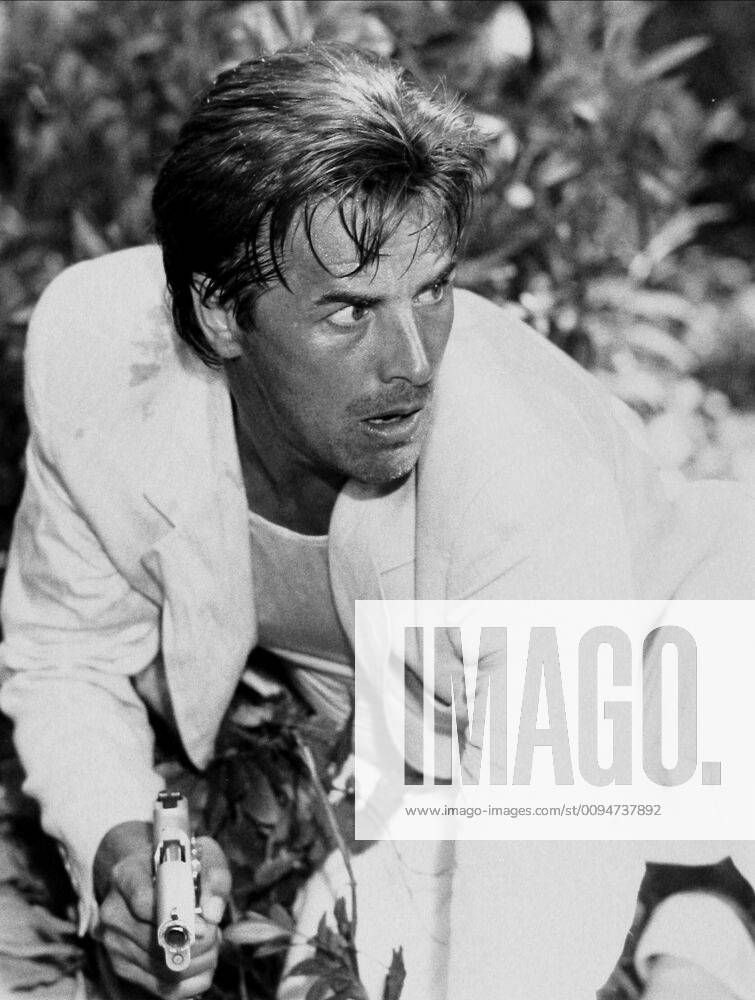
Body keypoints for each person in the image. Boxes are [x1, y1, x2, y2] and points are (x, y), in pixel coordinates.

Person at [0, 42, 754, 1000]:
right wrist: (120, 845)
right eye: (350, 312)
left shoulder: (519, 473)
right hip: (421, 734)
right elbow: (65, 655)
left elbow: (536, 910)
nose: (413, 363)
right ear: (219, 313)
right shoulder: (101, 356)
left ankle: (710, 905)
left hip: (684, 662)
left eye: (432, 289)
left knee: (683, 957)